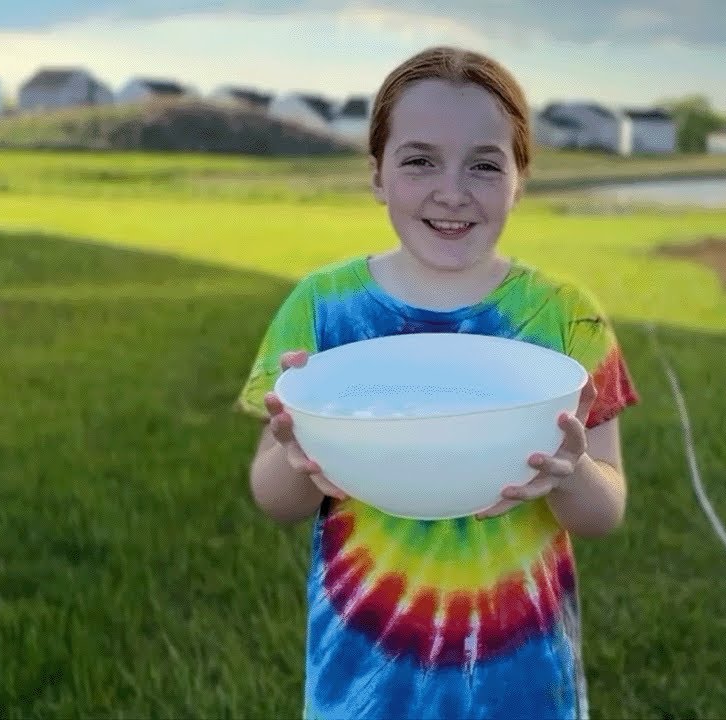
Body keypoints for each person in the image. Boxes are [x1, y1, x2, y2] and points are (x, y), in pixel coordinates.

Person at [236, 45, 640, 720]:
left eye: (485, 164)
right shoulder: (323, 309)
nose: (452, 191)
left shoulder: (566, 315)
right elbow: (274, 499)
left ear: (520, 179)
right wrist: (296, 449)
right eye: (420, 160)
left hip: (522, 682)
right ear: (377, 174)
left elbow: (606, 510)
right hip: (365, 682)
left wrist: (571, 476)